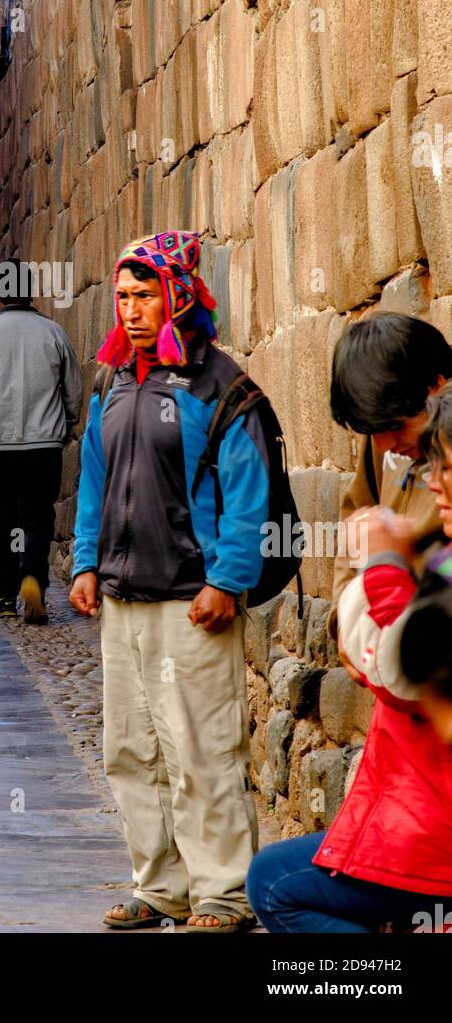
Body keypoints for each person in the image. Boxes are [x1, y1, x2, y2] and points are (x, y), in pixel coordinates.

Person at [71, 231, 268, 932]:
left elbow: (248, 494)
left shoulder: (219, 386)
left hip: (193, 601)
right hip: (123, 597)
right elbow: (94, 477)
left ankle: (222, 890)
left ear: (177, 296)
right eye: (122, 297)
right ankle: (159, 885)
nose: (130, 310)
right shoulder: (113, 380)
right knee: (130, 749)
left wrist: (227, 579)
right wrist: (85, 562)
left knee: (201, 747)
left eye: (144, 296)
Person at [246, 386, 452, 933]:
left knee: (274, 887)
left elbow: (400, 673)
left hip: (431, 831)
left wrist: (381, 563)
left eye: (445, 466)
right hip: (418, 811)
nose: (431, 482)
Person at [0, 257, 82, 623]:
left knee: (4, 517)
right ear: (31, 293)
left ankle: (4, 595)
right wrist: (68, 420)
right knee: (39, 516)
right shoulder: (53, 332)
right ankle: (33, 578)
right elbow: (72, 389)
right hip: (43, 444)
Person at [328, 313, 451, 677]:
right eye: (373, 431)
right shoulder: (389, 437)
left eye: (395, 428)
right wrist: (345, 619)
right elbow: (357, 521)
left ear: (437, 388)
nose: (385, 446)